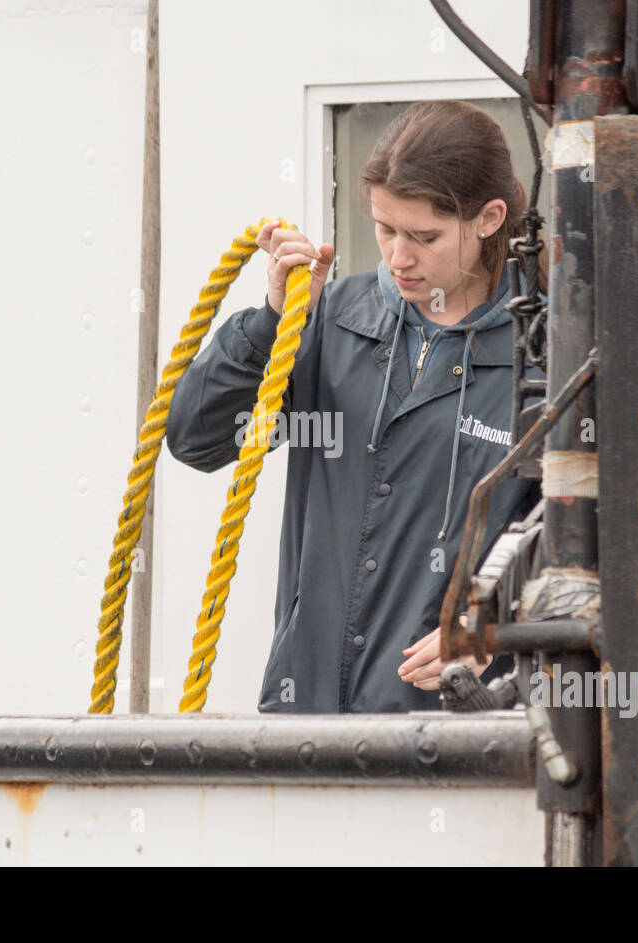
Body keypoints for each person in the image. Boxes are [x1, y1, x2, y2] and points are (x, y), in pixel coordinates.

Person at [167, 99, 544, 713]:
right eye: (385, 229)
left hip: (453, 735)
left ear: (490, 218)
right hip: (303, 719)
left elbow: (591, 547)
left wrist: (496, 628)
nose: (398, 257)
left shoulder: (549, 353)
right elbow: (196, 440)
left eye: (424, 237)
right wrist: (270, 322)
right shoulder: (331, 321)